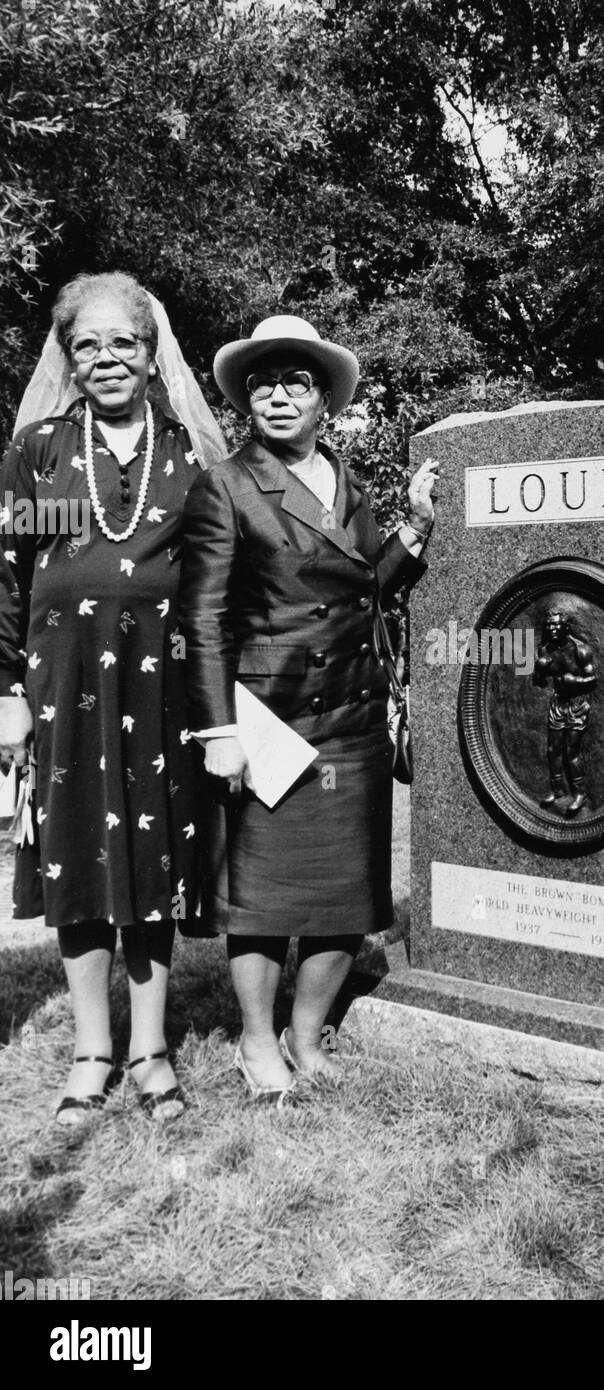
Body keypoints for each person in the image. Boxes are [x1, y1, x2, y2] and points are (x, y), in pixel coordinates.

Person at [178, 315, 438, 1106]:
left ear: (325, 397)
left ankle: (305, 1032)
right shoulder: (224, 483)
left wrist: (416, 526)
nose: (278, 396)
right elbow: (202, 617)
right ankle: (256, 1041)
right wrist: (219, 728)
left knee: (344, 895)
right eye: (263, 382)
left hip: (350, 720)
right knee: (260, 898)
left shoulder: (346, 480)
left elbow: (362, 588)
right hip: (267, 719)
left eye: (296, 382)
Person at [0, 271, 226, 1125]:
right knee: (75, 857)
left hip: (162, 689)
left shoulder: (192, 455)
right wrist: (4, 693)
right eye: (86, 345)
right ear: (67, 356)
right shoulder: (38, 451)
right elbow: (4, 578)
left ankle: (151, 1050)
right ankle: (93, 1049)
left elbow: (217, 584)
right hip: (61, 684)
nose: (106, 359)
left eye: (122, 343)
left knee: (152, 859)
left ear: (150, 349)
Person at [532, 611, 597, 815]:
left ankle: (580, 794)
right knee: (553, 750)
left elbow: (592, 680)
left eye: (556, 625)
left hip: (577, 704)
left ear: (565, 627)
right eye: (548, 626)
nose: (552, 629)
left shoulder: (580, 649)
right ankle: (558, 790)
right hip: (558, 704)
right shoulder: (545, 649)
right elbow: (540, 682)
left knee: (571, 751)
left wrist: (574, 682)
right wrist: (540, 671)